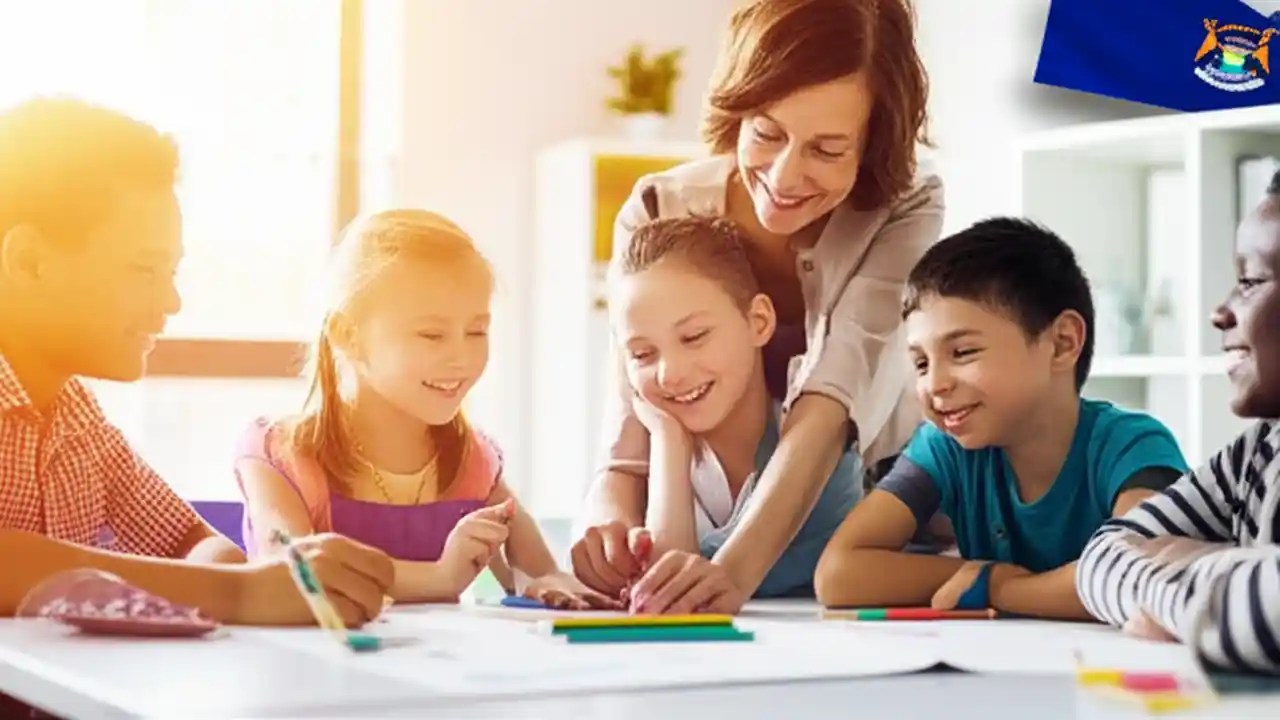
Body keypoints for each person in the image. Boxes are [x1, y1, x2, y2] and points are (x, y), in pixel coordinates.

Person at [573, 0, 944, 613]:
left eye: (827, 150)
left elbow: (834, 400)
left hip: (867, 515)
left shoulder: (904, 207)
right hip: (708, 520)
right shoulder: (657, 208)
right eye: (766, 133)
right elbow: (633, 419)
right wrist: (606, 519)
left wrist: (733, 573)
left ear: (872, 143)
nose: (784, 174)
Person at [0, 97, 393, 626]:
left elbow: (188, 541)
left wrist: (267, 583)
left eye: (172, 274)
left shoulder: (77, 418)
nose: (170, 303)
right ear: (30, 262)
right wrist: (238, 594)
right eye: (144, 270)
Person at [235, 209, 613, 608]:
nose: (461, 358)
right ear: (348, 336)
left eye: (477, 331)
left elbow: (538, 575)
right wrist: (438, 578)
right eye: (432, 335)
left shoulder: (475, 464)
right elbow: (296, 572)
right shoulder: (280, 455)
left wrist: (550, 583)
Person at [815, 218, 1189, 619]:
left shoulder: (1134, 448)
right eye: (921, 363)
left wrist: (999, 588)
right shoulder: (945, 449)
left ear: (1062, 343)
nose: (935, 384)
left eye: (962, 353)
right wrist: (980, 575)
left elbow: (1138, 578)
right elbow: (837, 574)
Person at [1076, 170, 1280, 674]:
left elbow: (1266, 618)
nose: (1220, 312)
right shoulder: (1256, 451)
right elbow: (1098, 559)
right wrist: (1224, 590)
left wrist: (1212, 565)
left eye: (1250, 282)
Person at [609, 216, 860, 612]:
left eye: (694, 337)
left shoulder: (821, 452)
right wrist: (669, 442)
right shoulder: (646, 466)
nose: (669, 373)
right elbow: (660, 601)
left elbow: (681, 592)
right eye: (642, 354)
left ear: (758, 322)